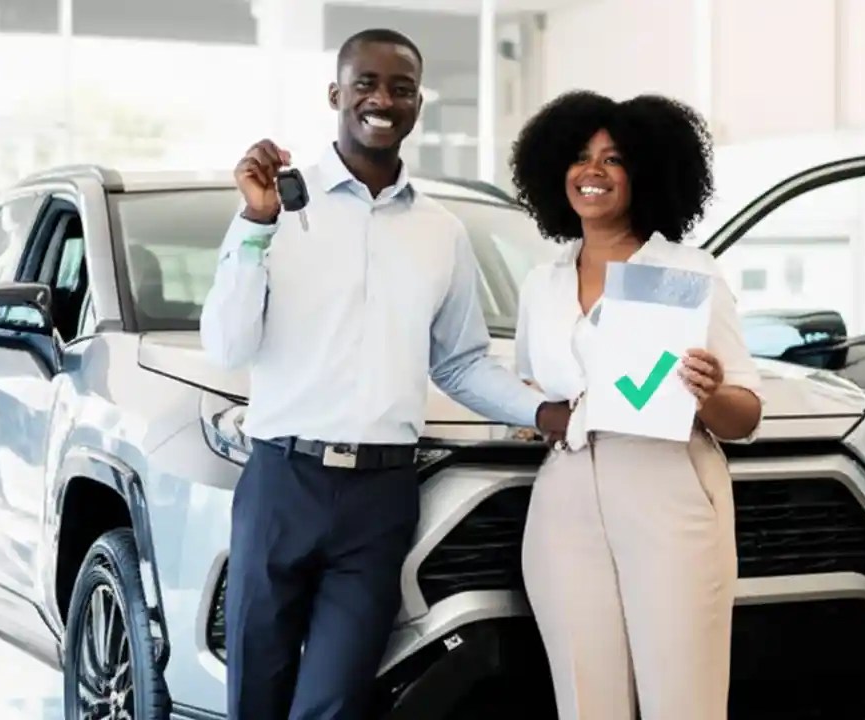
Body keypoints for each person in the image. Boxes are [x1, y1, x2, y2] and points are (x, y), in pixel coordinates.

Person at [200, 28, 572, 720]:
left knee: (337, 699)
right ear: (335, 94)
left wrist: (546, 413)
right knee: (258, 689)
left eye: (401, 88)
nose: (382, 99)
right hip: (284, 480)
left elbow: (459, 363)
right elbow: (227, 344)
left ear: (417, 104)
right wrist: (255, 223)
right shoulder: (272, 208)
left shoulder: (442, 233)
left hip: (382, 494)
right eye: (365, 84)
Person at [508, 90, 764, 720]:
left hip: (664, 484)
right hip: (566, 495)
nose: (592, 172)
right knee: (585, 699)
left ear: (646, 173)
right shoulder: (541, 283)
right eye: (579, 157)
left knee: (682, 698)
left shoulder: (685, 271)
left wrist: (708, 394)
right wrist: (537, 419)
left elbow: (747, 414)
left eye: (613, 159)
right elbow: (533, 393)